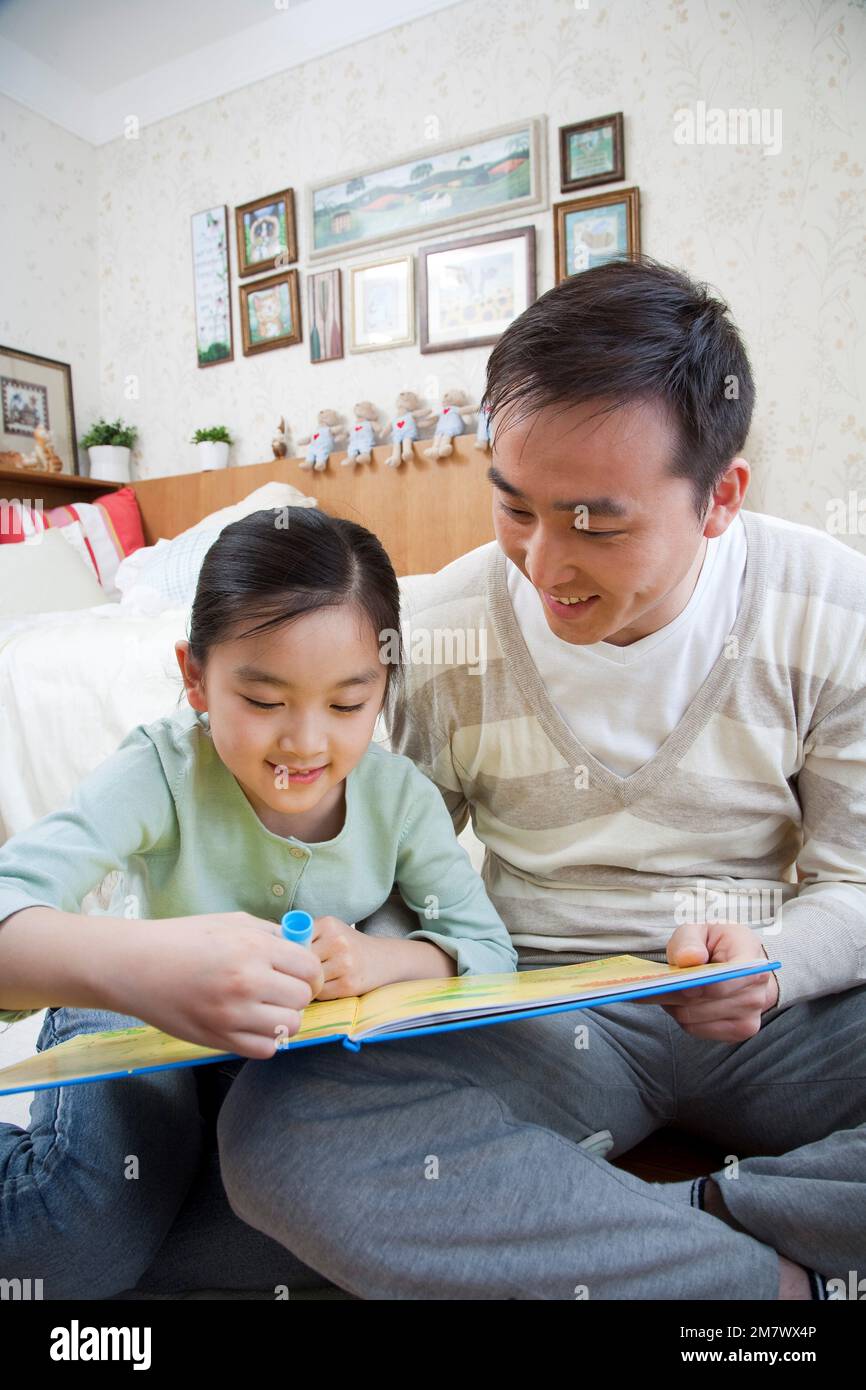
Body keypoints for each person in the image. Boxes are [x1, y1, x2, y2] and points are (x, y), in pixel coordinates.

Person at [214, 255, 866, 1301]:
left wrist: (774, 962)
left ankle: (674, 1224)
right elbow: (399, 872)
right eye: (513, 506)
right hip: (540, 1011)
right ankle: (773, 1287)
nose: (542, 561)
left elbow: (855, 881)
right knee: (277, 1128)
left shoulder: (831, 606)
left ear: (720, 498)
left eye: (594, 521)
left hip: (769, 1010)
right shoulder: (437, 630)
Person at [0, 507, 517, 1299]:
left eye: (348, 705)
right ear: (195, 675)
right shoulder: (163, 771)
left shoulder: (396, 797)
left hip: (270, 1081)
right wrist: (147, 965)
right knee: (68, 1240)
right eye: (265, 701)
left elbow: (490, 953)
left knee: (310, 1235)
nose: (307, 744)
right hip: (136, 1024)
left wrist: (383, 959)